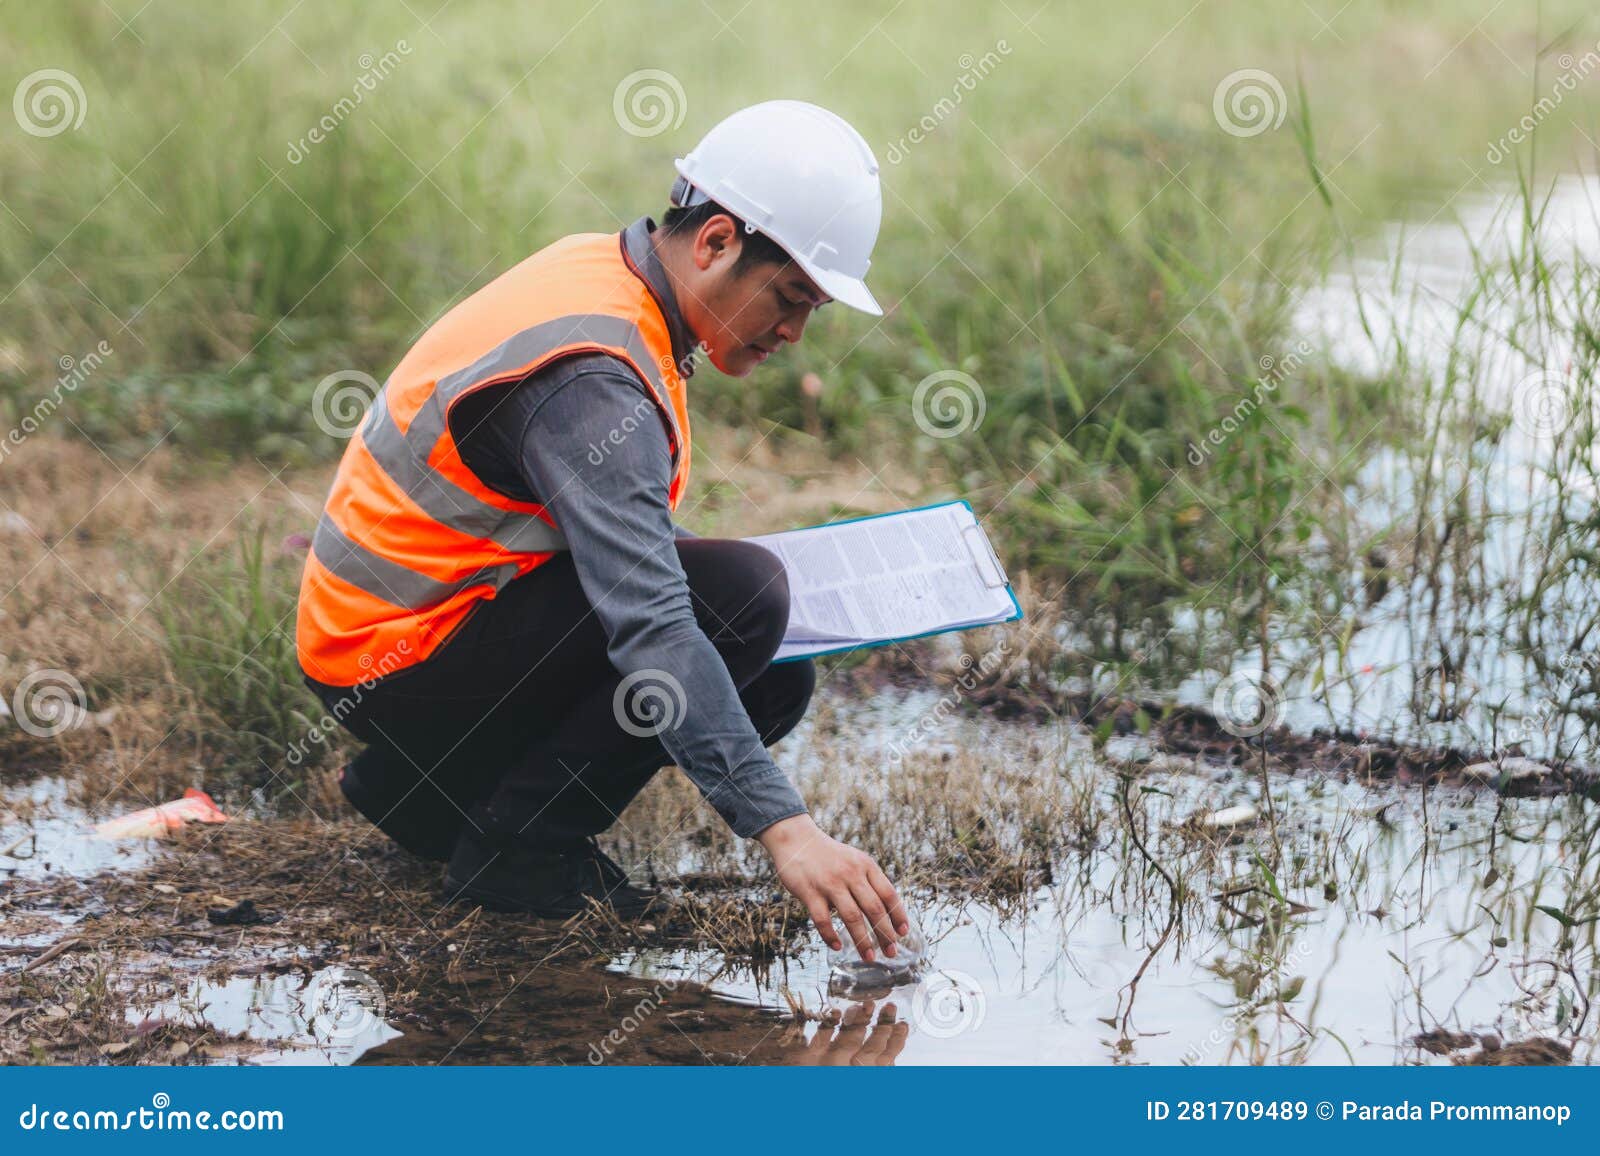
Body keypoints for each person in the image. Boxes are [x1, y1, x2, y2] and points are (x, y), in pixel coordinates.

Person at [294, 100, 906, 964]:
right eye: (790, 296)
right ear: (718, 242)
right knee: (739, 603)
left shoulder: (607, 272)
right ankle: (518, 853)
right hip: (389, 659)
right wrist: (787, 830)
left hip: (430, 632)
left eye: (814, 308)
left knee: (773, 672)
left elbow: (610, 533)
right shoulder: (592, 376)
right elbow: (652, 619)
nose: (795, 333)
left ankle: (426, 796)